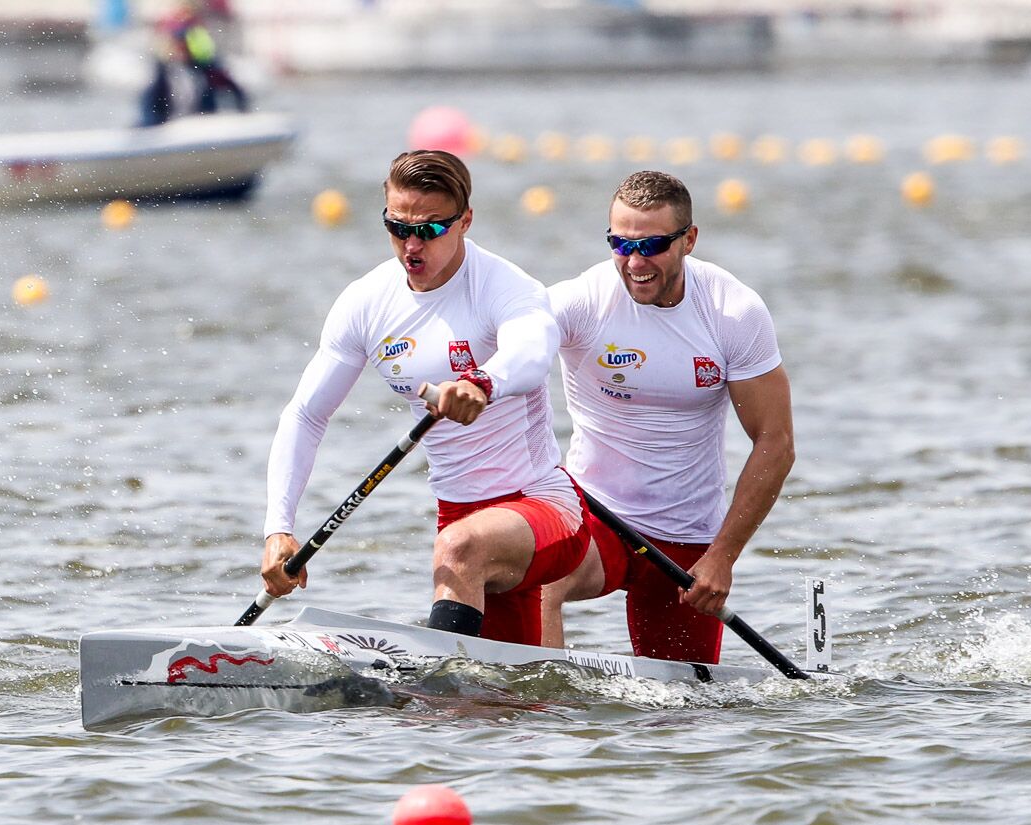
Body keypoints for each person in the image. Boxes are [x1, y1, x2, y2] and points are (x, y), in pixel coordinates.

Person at [260, 150, 591, 646]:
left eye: (431, 229)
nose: (412, 245)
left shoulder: (505, 286)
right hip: (457, 514)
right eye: (398, 227)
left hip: (541, 506)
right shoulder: (366, 302)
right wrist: (278, 527)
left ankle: (425, 699)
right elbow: (307, 415)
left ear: (465, 221)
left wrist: (483, 383)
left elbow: (533, 350)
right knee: (504, 706)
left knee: (457, 552)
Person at [540, 170, 795, 664]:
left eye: (652, 244)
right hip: (598, 516)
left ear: (689, 240)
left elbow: (776, 443)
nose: (634, 262)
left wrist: (721, 558)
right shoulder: (581, 300)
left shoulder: (733, 313)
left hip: (688, 541)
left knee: (686, 724)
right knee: (541, 580)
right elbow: (507, 346)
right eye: (620, 243)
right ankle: (543, 717)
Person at [138, 0, 248, 126]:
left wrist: (242, 111)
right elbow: (150, 103)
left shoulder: (205, 66)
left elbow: (231, 87)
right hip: (173, 126)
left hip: (200, 124)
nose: (181, 47)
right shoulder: (164, 70)